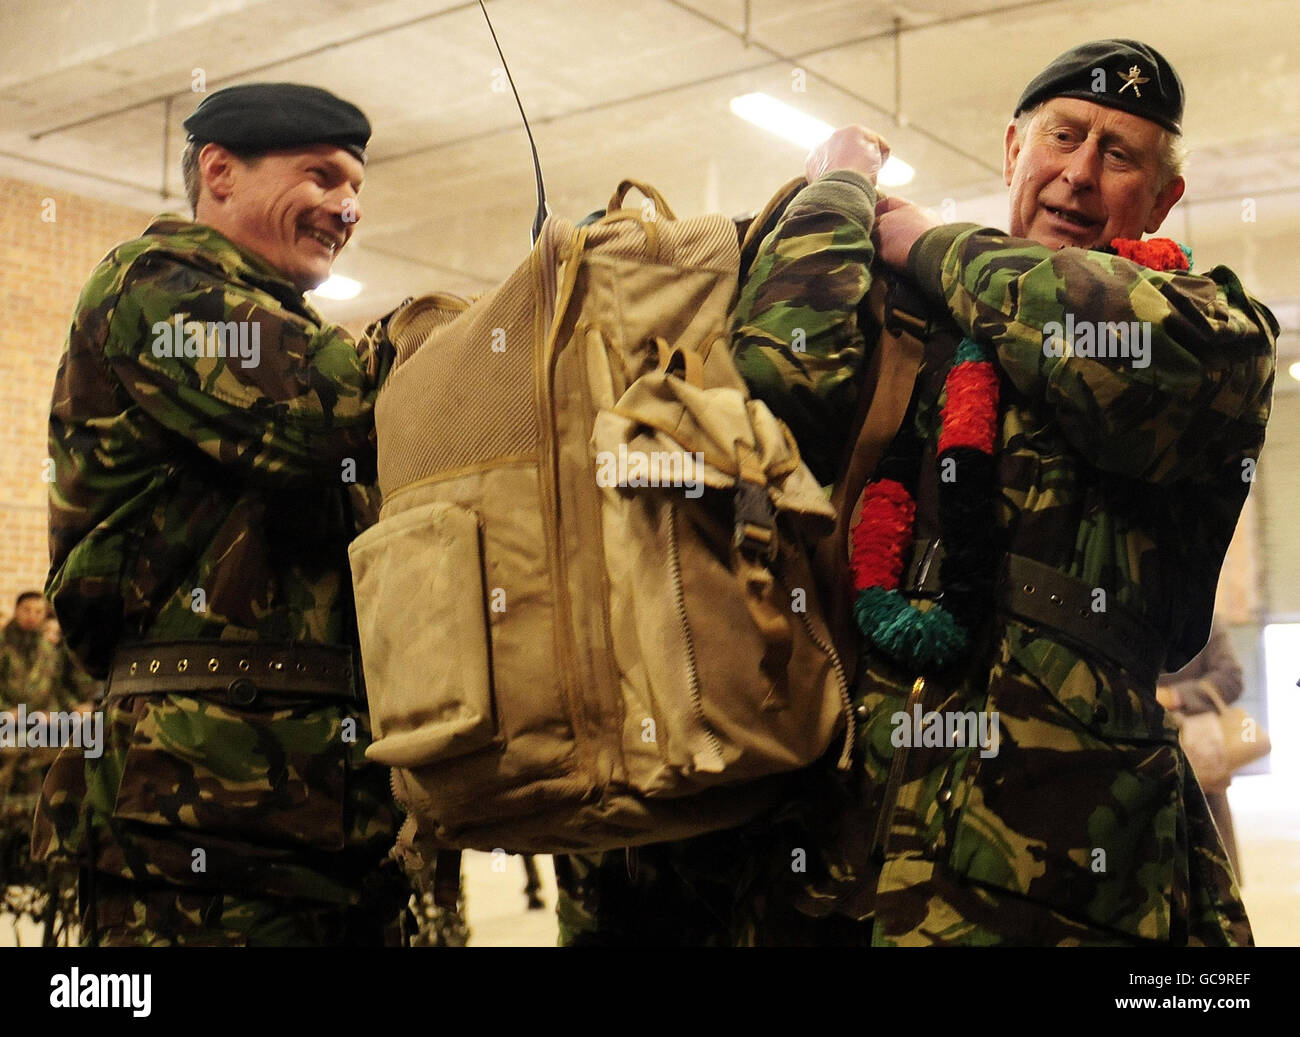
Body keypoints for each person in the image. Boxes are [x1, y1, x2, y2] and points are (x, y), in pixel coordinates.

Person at [558, 39, 1275, 946]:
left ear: (1163, 197)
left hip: (1049, 862)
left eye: (1120, 153)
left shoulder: (1211, 328)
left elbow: (1111, 340)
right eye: (1064, 136)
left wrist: (925, 241)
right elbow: (780, 380)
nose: (1081, 173)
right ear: (1014, 150)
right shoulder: (911, 327)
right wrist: (836, 193)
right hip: (838, 850)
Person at [31, 82, 408, 946]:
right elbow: (337, 407)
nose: (346, 207)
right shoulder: (153, 289)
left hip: (326, 825)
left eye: (356, 189)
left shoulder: (292, 328)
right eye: (321, 176)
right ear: (220, 170)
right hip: (201, 836)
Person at [1157, 618, 1246, 880]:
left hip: (1199, 760)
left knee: (1212, 879)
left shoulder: (1204, 621)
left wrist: (1176, 696)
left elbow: (1230, 679)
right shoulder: (1126, 614)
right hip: (1138, 763)